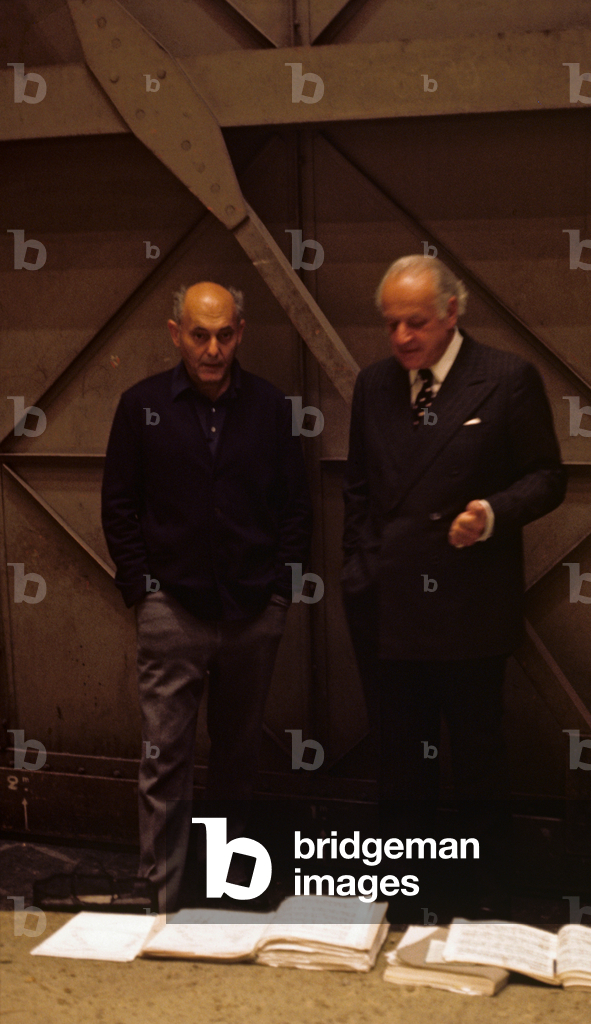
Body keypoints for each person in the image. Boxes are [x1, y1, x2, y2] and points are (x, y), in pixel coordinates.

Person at [342, 255, 566, 920]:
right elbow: (358, 489)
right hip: (389, 610)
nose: (403, 338)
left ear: (452, 313)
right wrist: (361, 566)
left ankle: (486, 906)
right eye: (391, 325)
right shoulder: (374, 385)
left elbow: (548, 477)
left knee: (477, 767)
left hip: (469, 608)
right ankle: (403, 902)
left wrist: (491, 513)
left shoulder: (506, 379)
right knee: (401, 771)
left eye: (416, 323)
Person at [101, 281, 312, 912]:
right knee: (165, 761)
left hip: (253, 614)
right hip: (173, 612)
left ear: (241, 332)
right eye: (199, 334)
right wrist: (144, 591)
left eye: (224, 334)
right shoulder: (141, 407)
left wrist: (280, 591)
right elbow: (119, 506)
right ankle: (159, 902)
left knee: (237, 764)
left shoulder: (272, 408)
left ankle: (225, 893)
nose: (212, 348)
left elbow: (294, 507)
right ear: (176, 334)